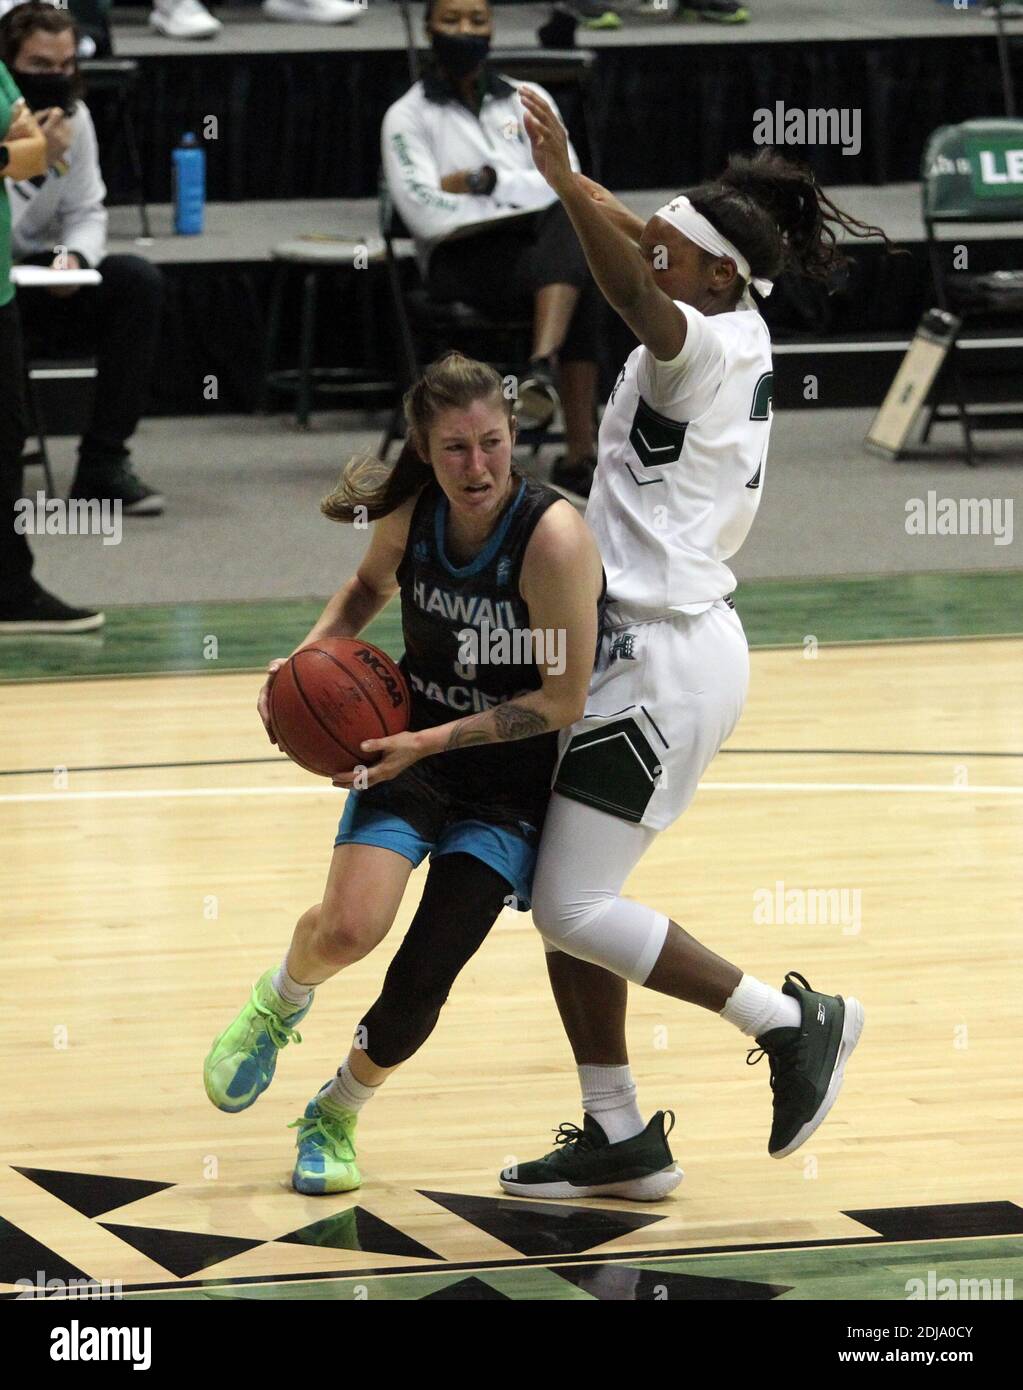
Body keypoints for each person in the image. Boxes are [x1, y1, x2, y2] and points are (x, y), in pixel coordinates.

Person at [496, 87, 893, 1200]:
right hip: (649, 646)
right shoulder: (729, 309)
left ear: (716, 275)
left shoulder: (697, 347)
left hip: (660, 660)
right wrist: (586, 190)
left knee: (574, 905)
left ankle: (792, 1021)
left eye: (670, 249)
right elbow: (649, 248)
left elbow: (631, 285)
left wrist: (569, 186)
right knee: (564, 895)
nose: (647, 253)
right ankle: (618, 1130)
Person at [203, 351, 609, 1195]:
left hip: (506, 782)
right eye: (455, 448)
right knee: (349, 930)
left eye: (493, 443)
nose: (478, 465)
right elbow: (361, 590)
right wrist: (305, 666)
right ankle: (281, 998)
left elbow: (564, 696)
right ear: (424, 450)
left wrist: (430, 743)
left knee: (423, 975)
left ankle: (337, 1110)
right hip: (409, 747)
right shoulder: (414, 512)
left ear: (513, 436)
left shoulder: (553, 537)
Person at [382, 0, 605, 498]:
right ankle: (575, 449)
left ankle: (543, 372)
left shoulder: (528, 100)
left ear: (492, 29)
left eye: (477, 21)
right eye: (452, 20)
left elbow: (568, 180)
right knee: (575, 255)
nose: (465, 30)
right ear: (429, 29)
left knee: (572, 232)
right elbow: (425, 211)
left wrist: (485, 182)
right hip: (458, 259)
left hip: (533, 256)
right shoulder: (407, 116)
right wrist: (519, 199)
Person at [0, 2, 164, 515]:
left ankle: (103, 462)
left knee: (136, 281)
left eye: (65, 66)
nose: (56, 77)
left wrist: (74, 257)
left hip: (44, 277)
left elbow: (88, 209)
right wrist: (34, 157)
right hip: (1, 285)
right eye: (40, 67)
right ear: (8, 66)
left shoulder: (78, 119)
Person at [0, 53, 102, 631]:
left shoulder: (3, 76)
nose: (55, 73)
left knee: (4, 443)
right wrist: (19, 154)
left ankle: (9, 587)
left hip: (2, 289)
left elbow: (33, 154)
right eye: (42, 61)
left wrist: (26, 155)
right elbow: (23, 155)